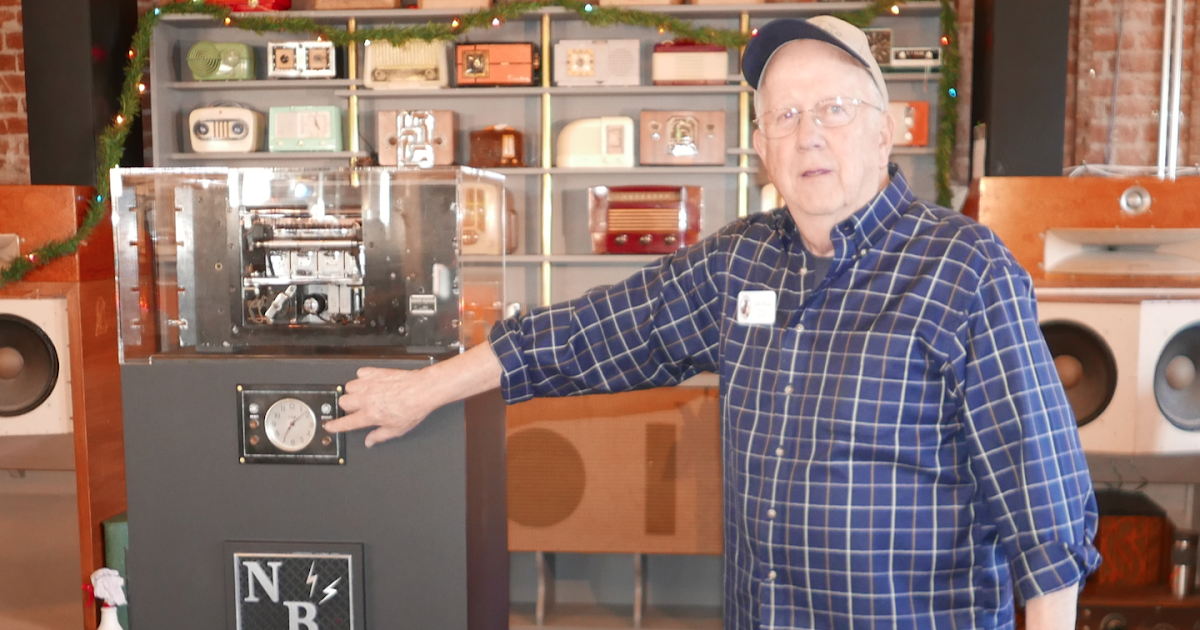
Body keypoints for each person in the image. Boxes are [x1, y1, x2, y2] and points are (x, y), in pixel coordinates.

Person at [326, 16, 1099, 630]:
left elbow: (1042, 497)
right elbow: (596, 331)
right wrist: (426, 388)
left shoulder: (964, 268)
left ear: (883, 127)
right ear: (761, 145)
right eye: (785, 116)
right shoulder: (741, 263)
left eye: (833, 108)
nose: (810, 134)